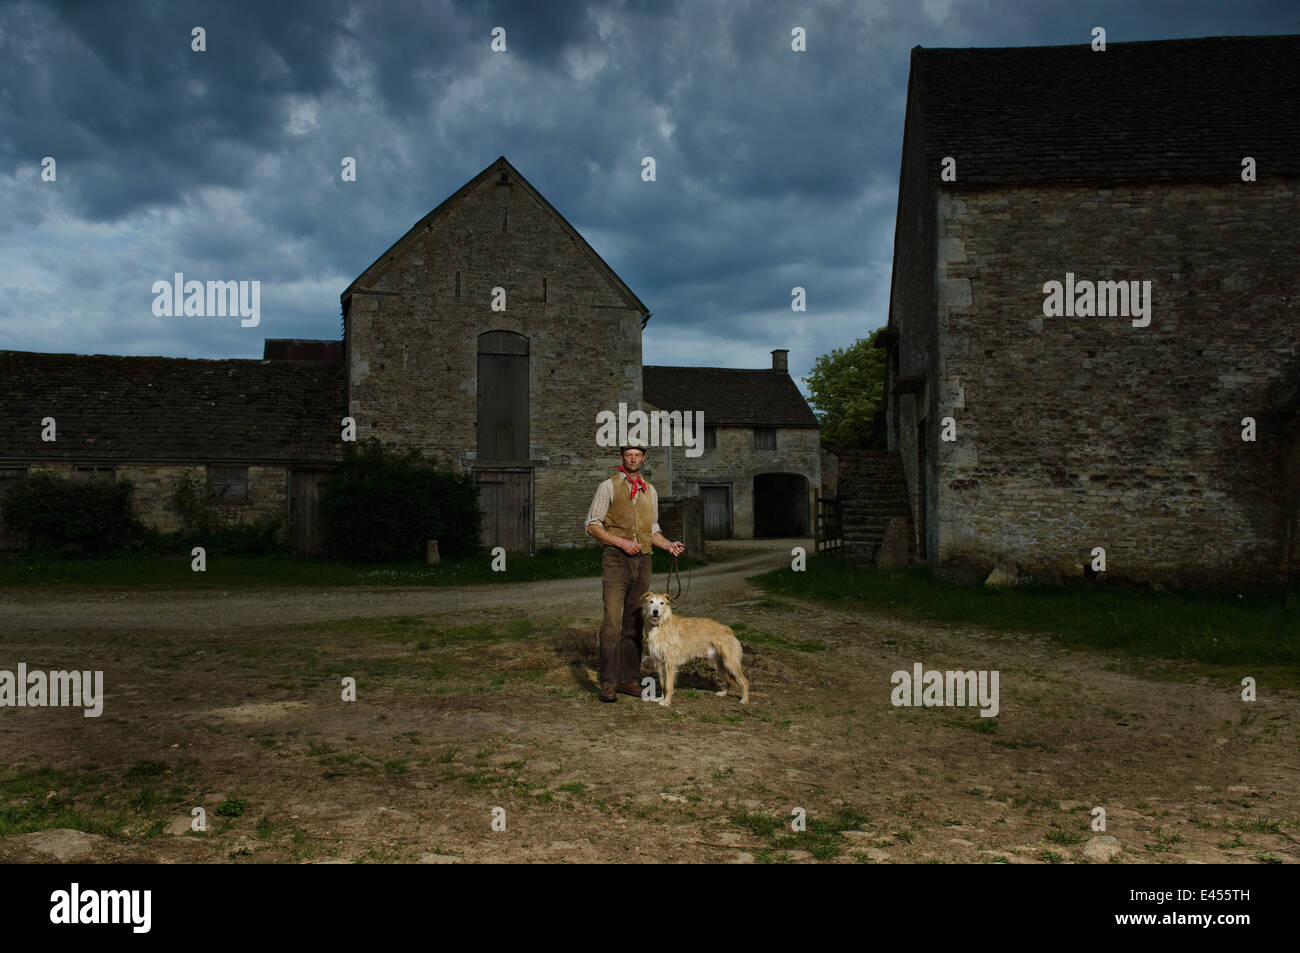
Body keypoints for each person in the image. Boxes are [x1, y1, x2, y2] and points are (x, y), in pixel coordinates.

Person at [584, 443, 685, 703]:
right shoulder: (608, 486)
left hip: (644, 561)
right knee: (612, 623)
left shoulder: (650, 490)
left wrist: (668, 544)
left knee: (635, 622)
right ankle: (607, 682)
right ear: (622, 458)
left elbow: (652, 530)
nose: (633, 458)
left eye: (638, 455)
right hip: (616, 560)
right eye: (629, 455)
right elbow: (592, 526)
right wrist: (621, 542)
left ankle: (627, 680)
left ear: (643, 458)